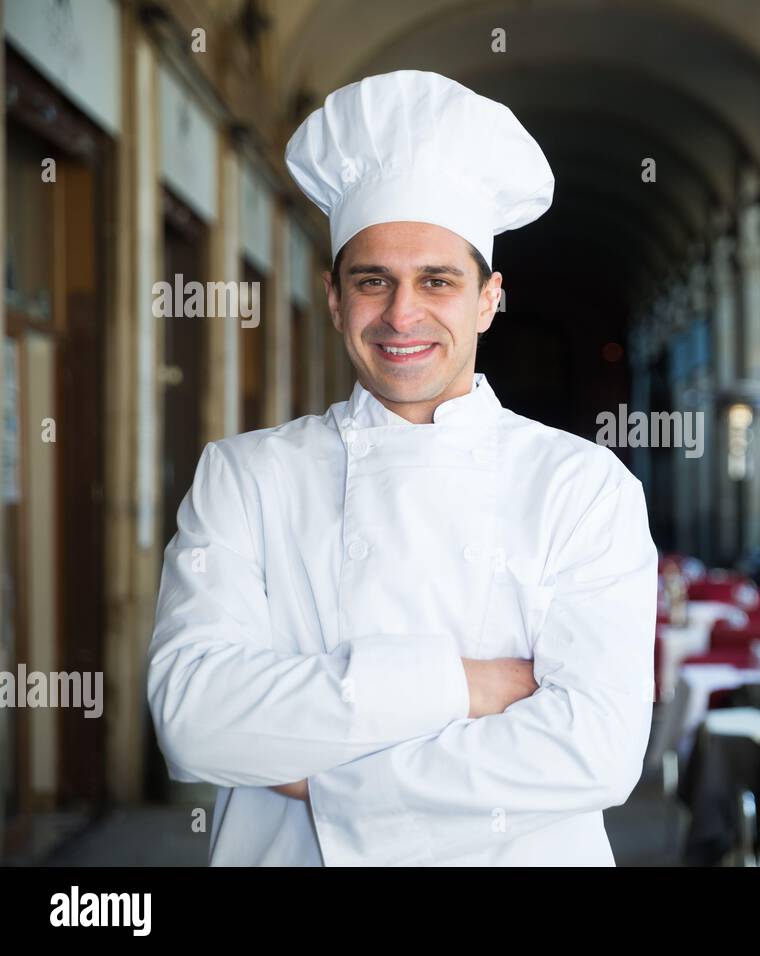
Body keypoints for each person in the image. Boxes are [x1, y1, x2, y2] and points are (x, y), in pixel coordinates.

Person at [146, 71, 657, 865]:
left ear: (488, 300)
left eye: (437, 281)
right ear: (334, 296)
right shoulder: (244, 477)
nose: (401, 315)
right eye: (372, 280)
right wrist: (464, 687)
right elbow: (194, 719)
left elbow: (597, 749)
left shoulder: (583, 487)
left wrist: (322, 779)